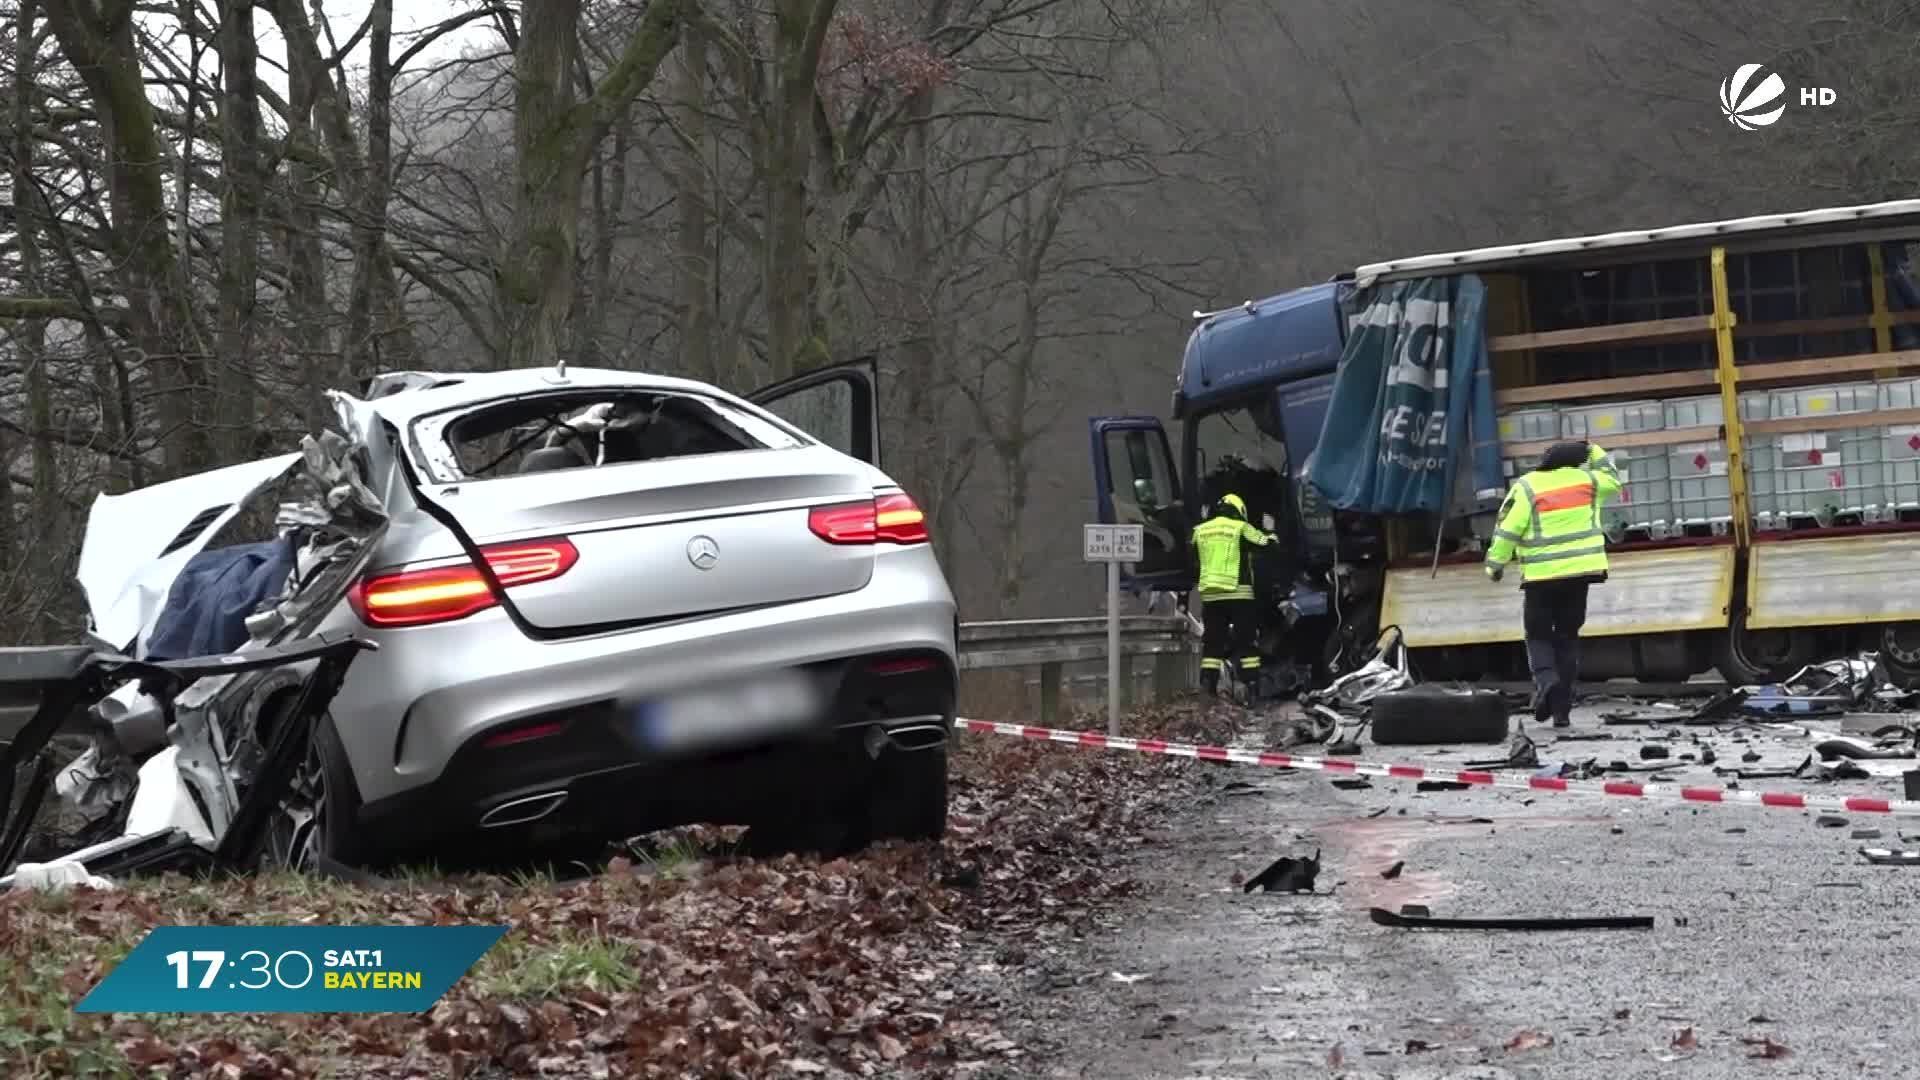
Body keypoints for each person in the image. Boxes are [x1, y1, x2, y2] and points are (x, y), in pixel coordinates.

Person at [1484, 440, 1623, 727]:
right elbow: (1613, 478)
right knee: (1567, 637)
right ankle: (1562, 711)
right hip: (1581, 574)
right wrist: (1593, 448)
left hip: (1541, 577)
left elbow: (1509, 528)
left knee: (1537, 635)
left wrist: (1495, 565)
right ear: (1577, 460)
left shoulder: (1527, 486)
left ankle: (1546, 681)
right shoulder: (1588, 481)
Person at [1191, 492, 1278, 697]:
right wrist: (1270, 530)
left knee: (1213, 643)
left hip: (1212, 596)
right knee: (1246, 642)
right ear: (1240, 511)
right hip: (1239, 594)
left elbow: (1192, 562)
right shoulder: (1241, 528)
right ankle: (1251, 687)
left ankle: (1208, 687)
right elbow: (1267, 546)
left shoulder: (1200, 531)